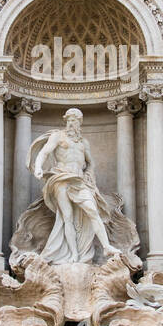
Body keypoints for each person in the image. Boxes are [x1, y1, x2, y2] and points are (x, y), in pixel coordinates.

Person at [30, 108, 120, 263]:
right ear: (66, 121)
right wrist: (38, 167)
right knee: (67, 217)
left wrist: (89, 175)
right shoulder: (58, 136)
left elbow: (91, 163)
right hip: (61, 178)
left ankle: (106, 246)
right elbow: (44, 153)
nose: (72, 123)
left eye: (75, 120)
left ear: (80, 122)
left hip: (79, 180)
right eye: (70, 120)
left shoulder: (84, 143)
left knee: (92, 210)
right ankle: (73, 255)